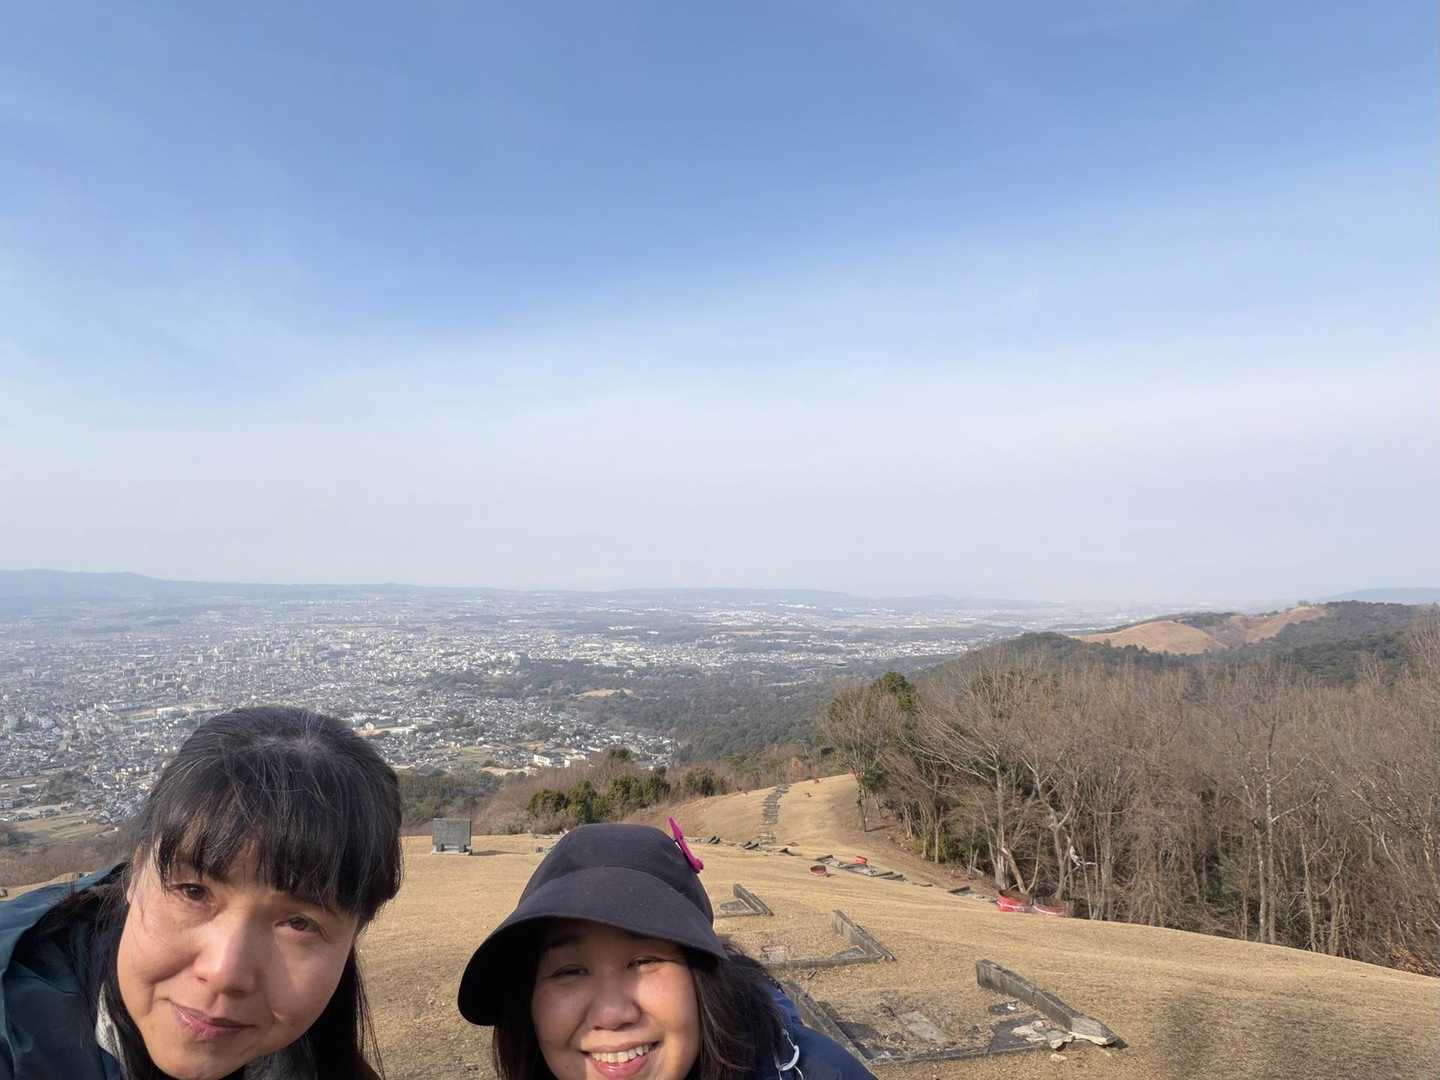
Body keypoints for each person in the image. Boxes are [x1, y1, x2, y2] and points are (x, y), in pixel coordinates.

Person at [0, 705, 403, 1080]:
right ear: (135, 874)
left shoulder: (312, 1053)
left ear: (353, 933)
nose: (224, 973)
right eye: (193, 891)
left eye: (299, 923)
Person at [457, 822, 876, 1080]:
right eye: (570, 971)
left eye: (644, 962)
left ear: (703, 977)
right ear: (527, 1000)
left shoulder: (822, 1072)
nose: (612, 1014)